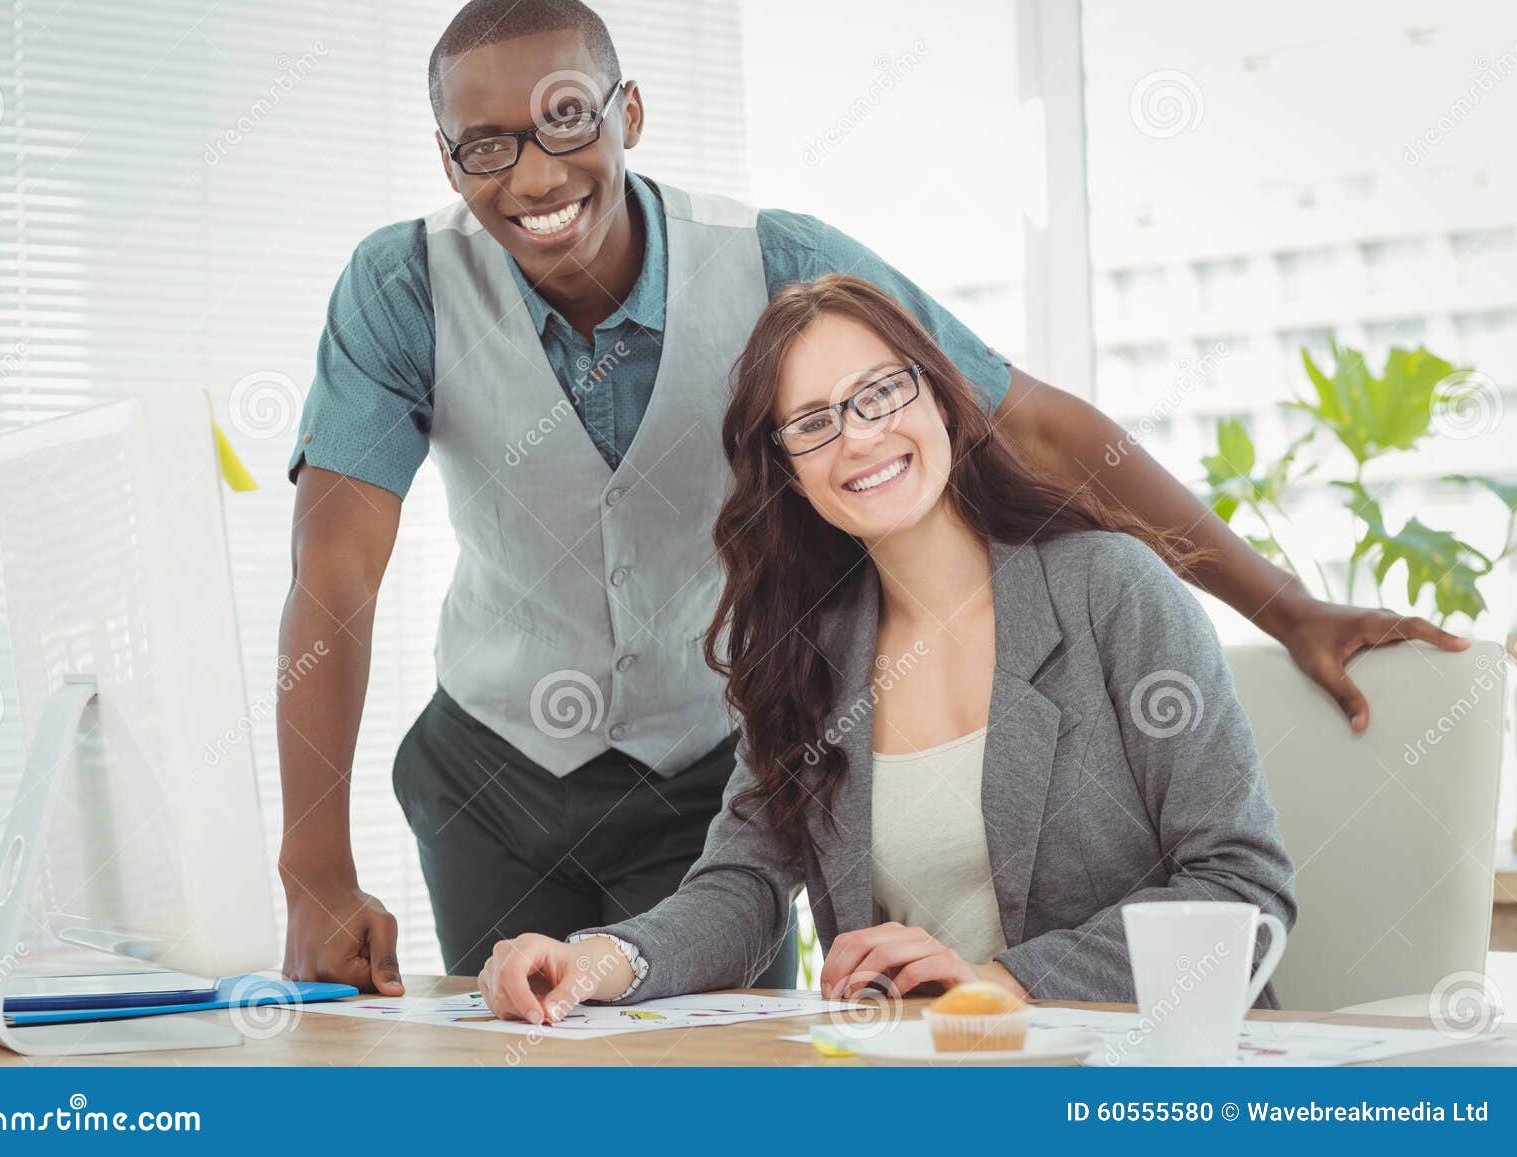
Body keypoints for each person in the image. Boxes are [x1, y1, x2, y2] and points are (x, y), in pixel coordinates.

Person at [278, 0, 1450, 998]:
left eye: (565, 118)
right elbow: (336, 574)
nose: (533, 172)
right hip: (494, 756)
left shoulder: (1086, 586)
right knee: (524, 1072)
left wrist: (1285, 604)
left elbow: (1038, 420)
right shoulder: (808, 655)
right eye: (813, 421)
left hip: (713, 771)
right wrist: (325, 873)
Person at [476, 275, 1297, 1020]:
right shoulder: (807, 654)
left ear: (940, 397)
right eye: (814, 423)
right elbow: (745, 884)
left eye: (879, 393)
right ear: (789, 470)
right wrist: (599, 958)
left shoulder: (1109, 588)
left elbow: (1241, 890)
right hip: (924, 1090)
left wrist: (1000, 979)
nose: (860, 438)